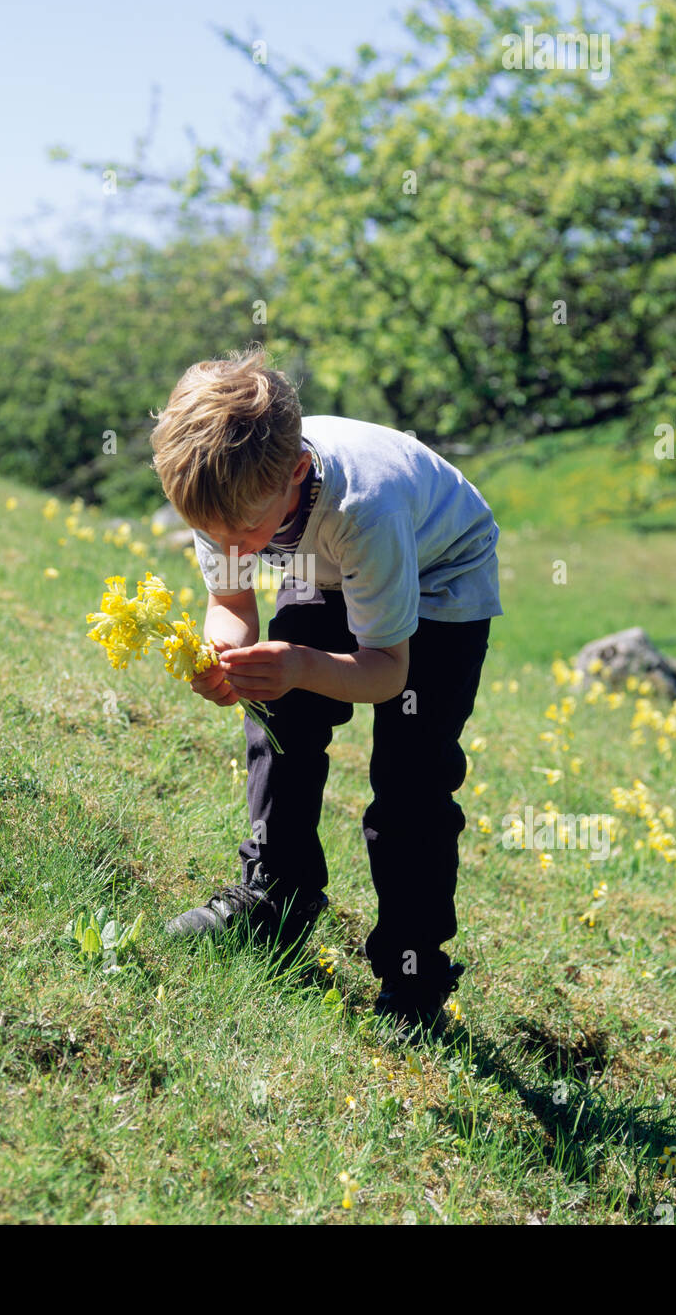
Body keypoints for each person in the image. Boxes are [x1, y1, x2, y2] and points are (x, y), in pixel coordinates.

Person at [148, 345, 501, 1035]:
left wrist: (302, 663)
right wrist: (226, 652)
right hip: (327, 559)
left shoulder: (364, 507)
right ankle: (274, 896)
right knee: (277, 707)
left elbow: (386, 672)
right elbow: (230, 599)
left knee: (410, 777)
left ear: (297, 474)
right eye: (210, 533)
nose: (233, 548)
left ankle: (412, 974)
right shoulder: (228, 495)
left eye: (244, 533)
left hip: (435, 576)